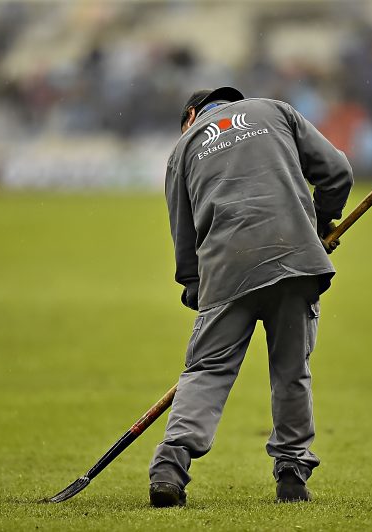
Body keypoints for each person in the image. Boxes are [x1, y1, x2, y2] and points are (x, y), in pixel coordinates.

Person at [149, 86, 353, 507]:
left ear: (191, 115)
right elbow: (337, 172)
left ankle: (170, 466)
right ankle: (293, 476)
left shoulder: (184, 148)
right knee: (291, 370)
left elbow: (183, 233)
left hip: (226, 268)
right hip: (295, 258)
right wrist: (318, 226)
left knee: (207, 370)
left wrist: (194, 287)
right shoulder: (275, 112)